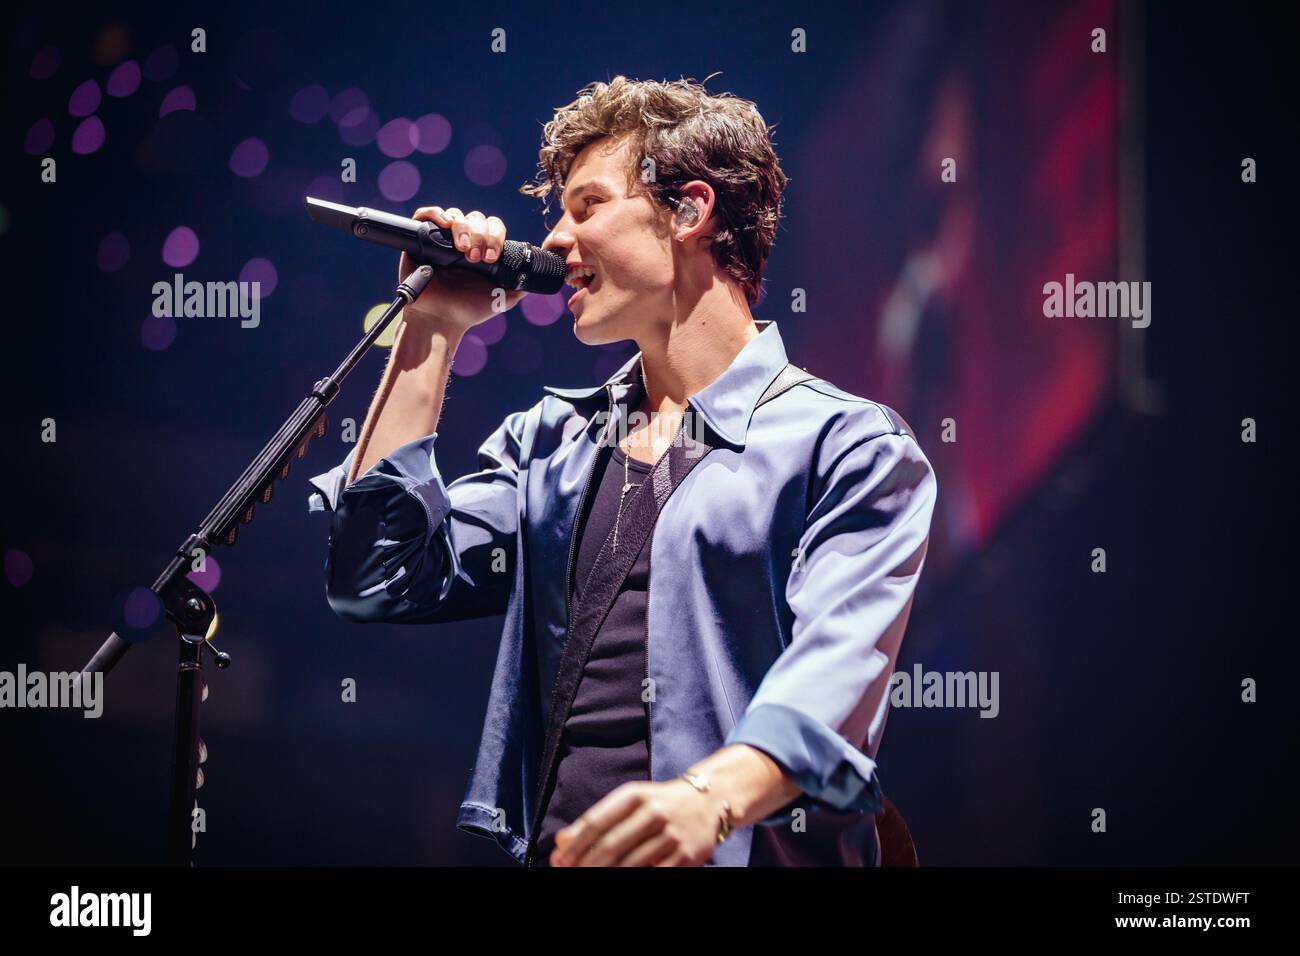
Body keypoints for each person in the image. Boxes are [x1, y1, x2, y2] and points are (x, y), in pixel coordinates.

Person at [307, 76, 937, 866]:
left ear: (690, 210)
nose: (558, 243)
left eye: (588, 206)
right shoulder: (552, 446)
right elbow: (376, 579)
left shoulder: (843, 445)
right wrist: (430, 327)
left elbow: (836, 678)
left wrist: (704, 801)